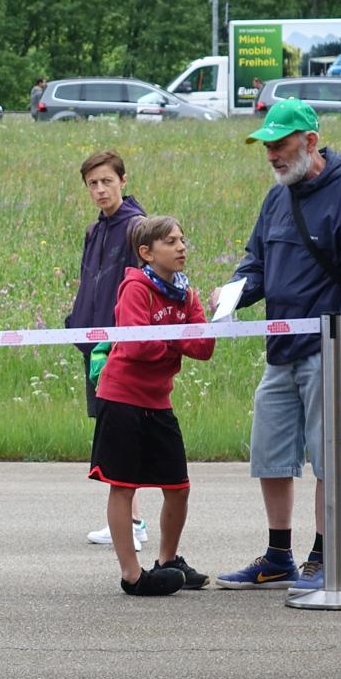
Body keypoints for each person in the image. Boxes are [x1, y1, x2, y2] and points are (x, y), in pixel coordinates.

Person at [214, 98, 341, 591]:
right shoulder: (278, 196)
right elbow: (257, 263)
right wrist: (234, 295)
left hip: (331, 352)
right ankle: (278, 556)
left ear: (310, 142)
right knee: (270, 453)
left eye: (280, 144)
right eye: (266, 146)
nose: (271, 154)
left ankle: (324, 557)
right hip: (282, 350)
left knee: (327, 455)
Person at [91, 215, 215, 595]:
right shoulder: (136, 289)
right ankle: (132, 575)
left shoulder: (187, 293)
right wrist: (178, 339)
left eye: (182, 239)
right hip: (122, 398)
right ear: (147, 252)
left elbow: (203, 347)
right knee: (123, 486)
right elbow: (137, 345)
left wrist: (204, 317)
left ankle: (167, 560)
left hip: (158, 402)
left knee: (178, 485)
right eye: (171, 242)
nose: (181, 247)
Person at [70, 150, 149, 550]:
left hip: (122, 346)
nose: (100, 190)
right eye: (92, 184)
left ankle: (132, 524)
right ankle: (128, 519)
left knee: (122, 431)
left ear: (122, 180)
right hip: (94, 343)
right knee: (107, 428)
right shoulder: (94, 230)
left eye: (106, 181)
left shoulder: (137, 228)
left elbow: (146, 285)